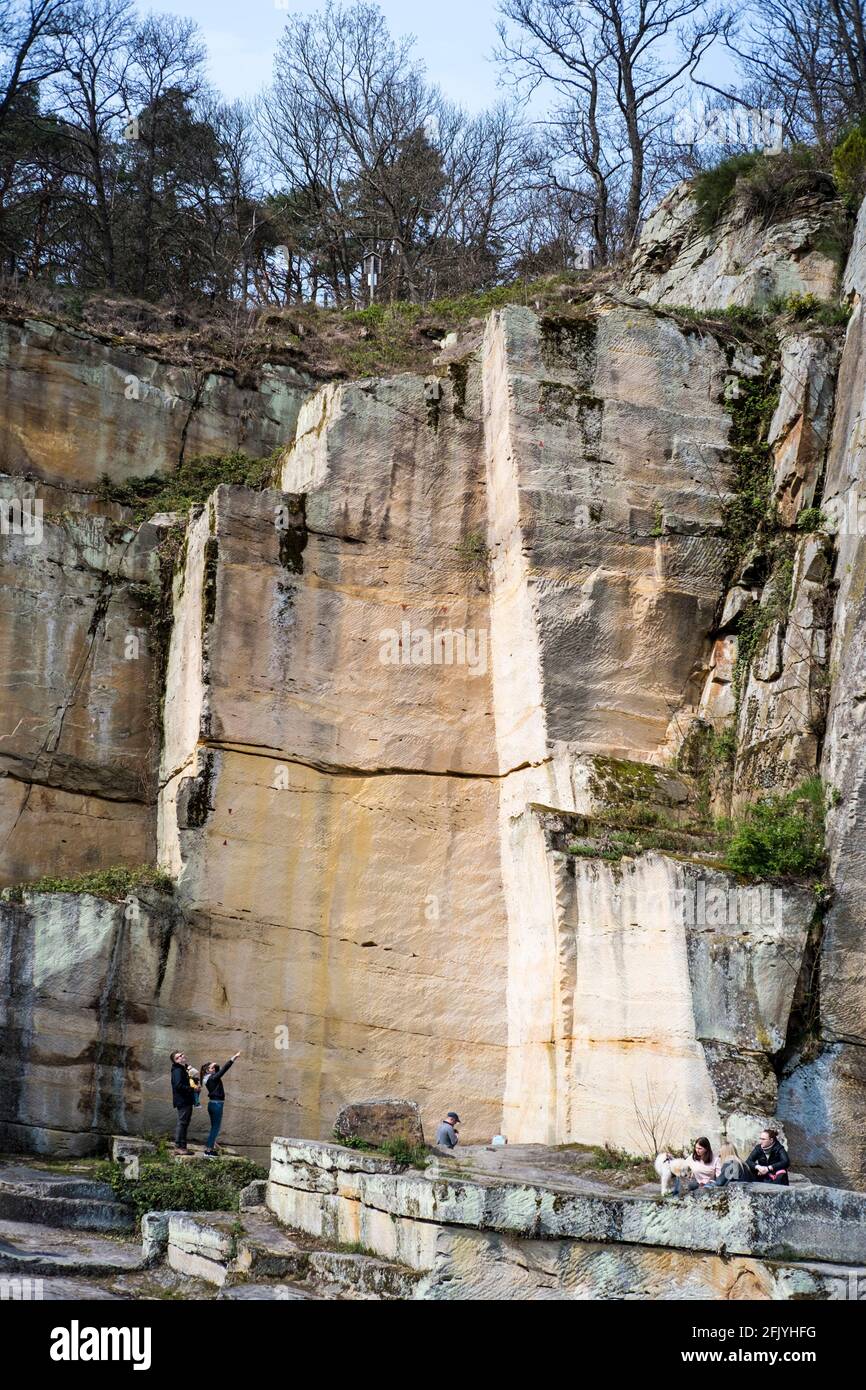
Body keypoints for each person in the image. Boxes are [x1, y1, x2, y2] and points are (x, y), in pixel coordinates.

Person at [200, 1052, 241, 1157]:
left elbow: (218, 1070)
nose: (214, 1068)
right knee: (215, 1128)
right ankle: (208, 1151)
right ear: (208, 1070)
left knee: (214, 1127)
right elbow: (223, 1070)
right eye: (211, 1067)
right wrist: (233, 1058)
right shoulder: (213, 1078)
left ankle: (210, 1148)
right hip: (217, 1105)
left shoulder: (210, 1078)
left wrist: (214, 1065)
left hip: (213, 1104)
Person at [170, 1050, 196, 1153]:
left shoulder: (182, 1069)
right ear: (176, 1060)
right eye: (179, 1056)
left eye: (182, 1054)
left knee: (184, 1123)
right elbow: (178, 1085)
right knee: (182, 1123)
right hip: (182, 1100)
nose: (182, 1056)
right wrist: (192, 1089)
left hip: (186, 1099)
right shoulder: (177, 1070)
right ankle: (178, 1147)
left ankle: (182, 1147)